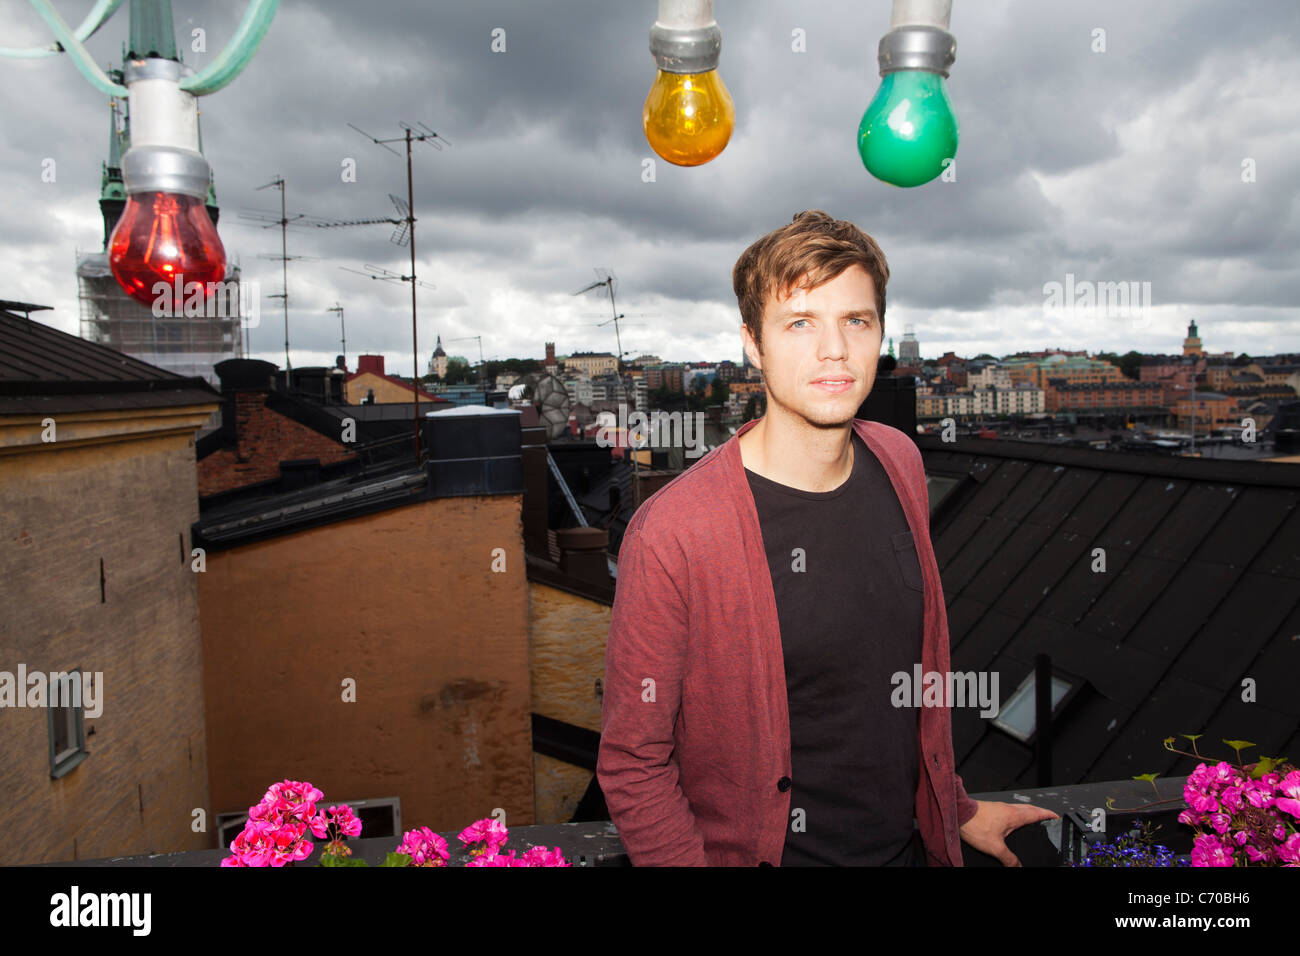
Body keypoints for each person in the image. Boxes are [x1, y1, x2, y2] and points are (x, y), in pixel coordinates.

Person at [596, 210, 1057, 866]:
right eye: (800, 323)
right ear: (753, 343)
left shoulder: (900, 463)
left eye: (855, 321)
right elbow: (634, 764)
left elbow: (889, 686)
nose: (834, 351)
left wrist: (953, 810)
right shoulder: (675, 535)